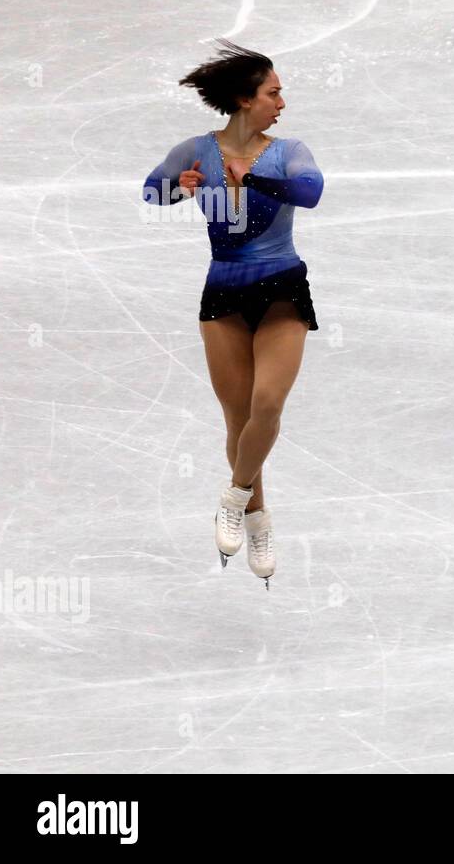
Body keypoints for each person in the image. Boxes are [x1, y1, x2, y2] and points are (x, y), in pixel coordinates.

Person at [143, 39, 325, 585]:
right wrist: (180, 185)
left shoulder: (287, 150)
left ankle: (236, 495)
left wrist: (257, 180)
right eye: (273, 93)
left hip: (282, 287)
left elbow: (311, 193)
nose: (282, 103)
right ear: (245, 100)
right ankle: (259, 519)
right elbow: (151, 192)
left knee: (267, 403)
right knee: (239, 416)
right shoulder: (195, 150)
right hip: (223, 291)